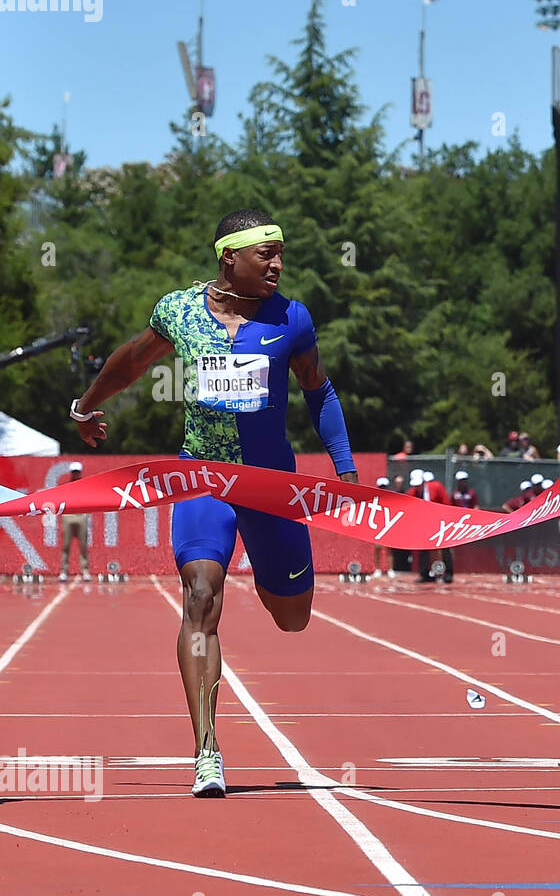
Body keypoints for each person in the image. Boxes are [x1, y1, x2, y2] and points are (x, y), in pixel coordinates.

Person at [69, 209, 358, 799]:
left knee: (293, 616)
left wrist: (345, 468)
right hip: (203, 477)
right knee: (200, 593)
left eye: (281, 253)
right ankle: (207, 751)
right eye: (266, 254)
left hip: (271, 483)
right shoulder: (178, 310)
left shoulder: (292, 318)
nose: (278, 264)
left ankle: (265, 570)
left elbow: (318, 389)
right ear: (230, 257)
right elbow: (133, 358)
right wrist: (86, 405)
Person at [58, 463, 92, 581]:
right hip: (68, 516)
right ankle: (64, 571)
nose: (75, 474)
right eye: (73, 472)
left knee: (83, 545)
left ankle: (85, 570)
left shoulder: (86, 486)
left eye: (77, 472)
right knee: (66, 545)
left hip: (81, 516)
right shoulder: (66, 486)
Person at [371, 476, 396, 578]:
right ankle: (377, 569)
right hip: (377, 525)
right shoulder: (374, 499)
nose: (383, 488)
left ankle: (390, 569)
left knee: (389, 549)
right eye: (381, 487)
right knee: (377, 548)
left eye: (384, 486)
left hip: (388, 525)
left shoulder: (391, 498)